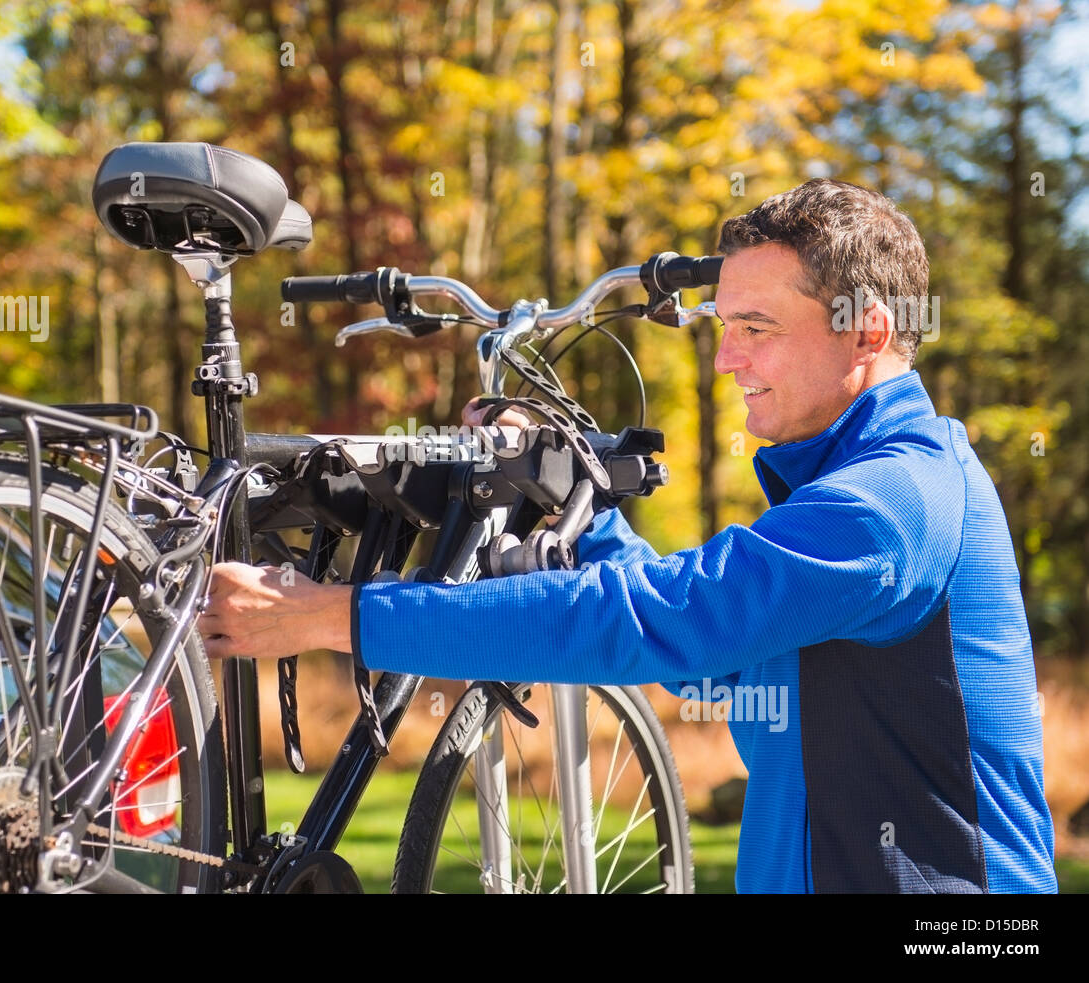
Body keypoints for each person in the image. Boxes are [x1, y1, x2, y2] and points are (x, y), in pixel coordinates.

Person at [198, 179, 1057, 894]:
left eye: (756, 329)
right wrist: (584, 512)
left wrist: (333, 615)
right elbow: (703, 652)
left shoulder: (895, 500)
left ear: (866, 330)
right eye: (726, 330)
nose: (728, 361)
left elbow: (649, 619)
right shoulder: (843, 494)